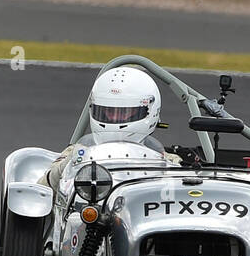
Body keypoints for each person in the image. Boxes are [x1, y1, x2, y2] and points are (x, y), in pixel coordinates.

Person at [43, 65, 177, 193]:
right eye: (107, 112)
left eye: (124, 113)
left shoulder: (168, 160)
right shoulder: (76, 152)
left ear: (150, 111)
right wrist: (69, 163)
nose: (114, 118)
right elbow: (42, 189)